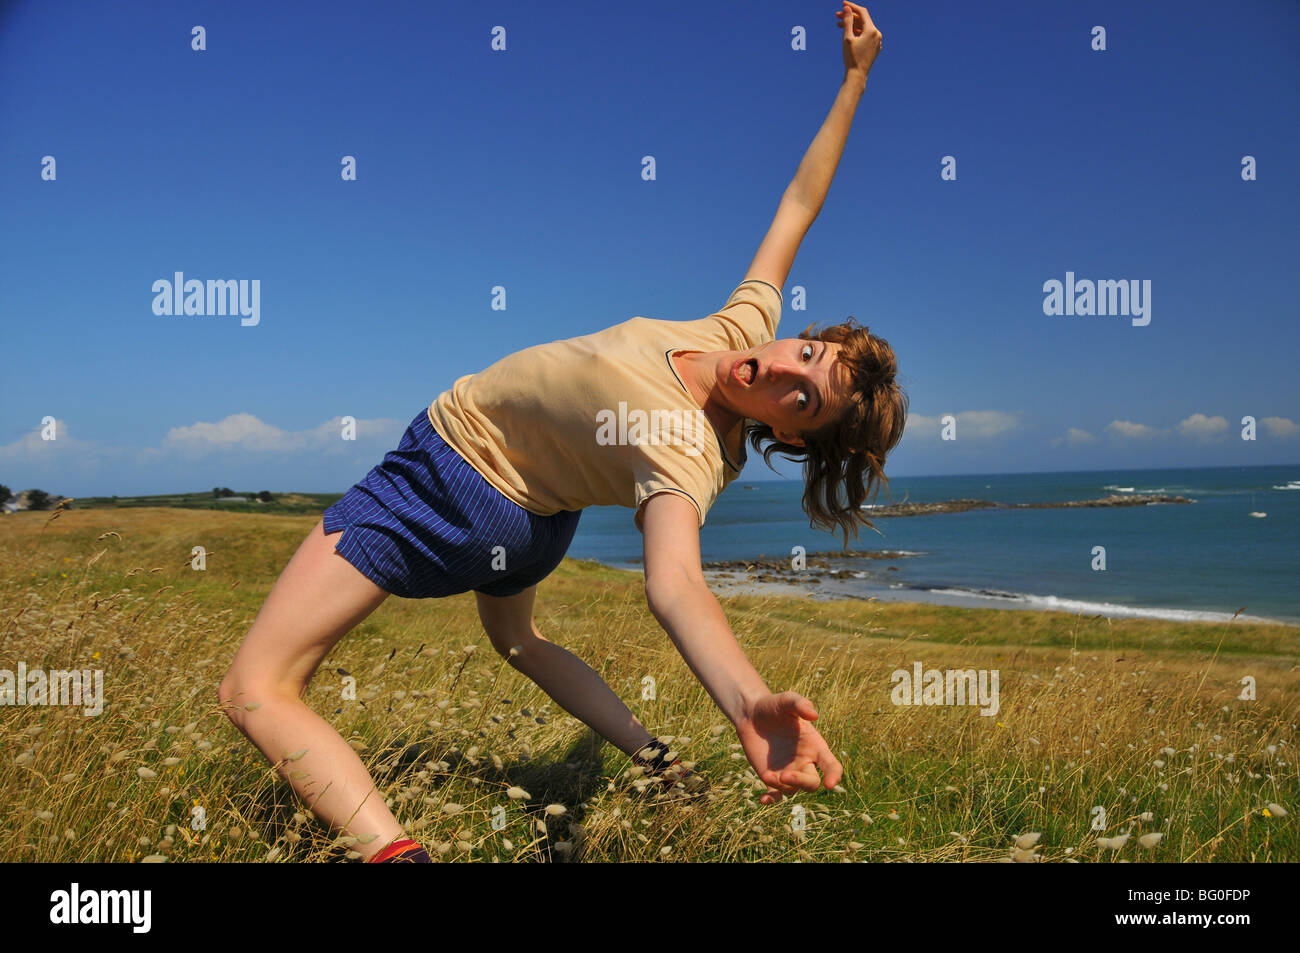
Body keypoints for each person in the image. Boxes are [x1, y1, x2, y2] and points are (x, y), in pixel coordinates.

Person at [219, 1, 903, 863]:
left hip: (447, 477)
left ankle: (397, 854)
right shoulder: (738, 326)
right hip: (534, 527)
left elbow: (677, 587)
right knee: (518, 640)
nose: (780, 371)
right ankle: (656, 758)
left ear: (793, 439)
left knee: (256, 687)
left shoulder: (685, 451)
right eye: (805, 353)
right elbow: (799, 205)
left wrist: (749, 703)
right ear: (796, 332)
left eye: (803, 401)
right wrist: (854, 80)